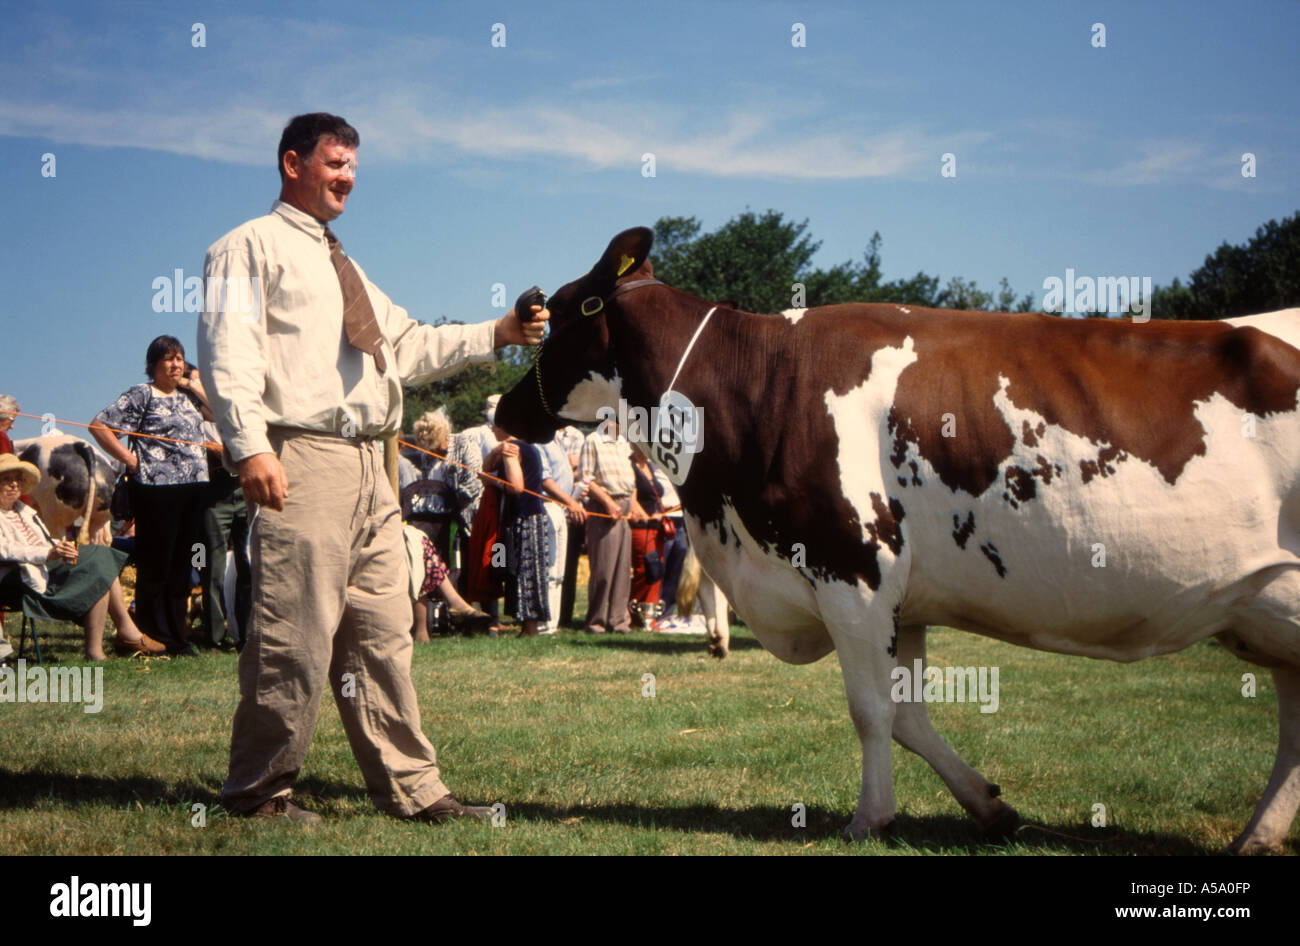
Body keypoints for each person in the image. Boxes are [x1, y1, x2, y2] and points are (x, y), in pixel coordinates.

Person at [198, 112, 546, 824]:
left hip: (371, 470)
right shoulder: (246, 247)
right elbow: (226, 350)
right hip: (301, 456)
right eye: (334, 163)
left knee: (384, 635)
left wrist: (500, 333)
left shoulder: (344, 264)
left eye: (354, 164)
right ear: (292, 163)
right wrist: (250, 446)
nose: (347, 177)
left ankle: (416, 793)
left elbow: (410, 343)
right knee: (293, 635)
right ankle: (258, 795)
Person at [90, 336, 212, 656]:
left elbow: (217, 414)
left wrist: (193, 384)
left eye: (180, 359)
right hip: (156, 489)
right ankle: (151, 633)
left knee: (180, 564)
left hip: (194, 487)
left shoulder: (190, 396)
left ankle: (176, 634)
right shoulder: (142, 394)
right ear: (153, 365)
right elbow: (99, 426)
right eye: (168, 359)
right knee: (156, 562)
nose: (176, 365)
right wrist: (129, 459)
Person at [0, 455, 164, 660]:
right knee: (98, 566)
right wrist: (48, 553)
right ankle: (119, 635)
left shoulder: (23, 511)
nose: (14, 484)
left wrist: (59, 546)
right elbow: (5, 550)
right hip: (16, 578)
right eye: (7, 479)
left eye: (18, 479)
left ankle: (112, 640)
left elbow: (42, 542)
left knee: (101, 556)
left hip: (45, 564)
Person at [580, 419, 642, 634]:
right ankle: (596, 622)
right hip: (604, 505)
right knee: (603, 569)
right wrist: (607, 502)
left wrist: (633, 505)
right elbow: (585, 479)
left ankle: (619, 621)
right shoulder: (593, 441)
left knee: (623, 570)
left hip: (624, 504)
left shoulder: (623, 443)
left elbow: (632, 479)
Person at [499, 433, 549, 637]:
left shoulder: (512, 450)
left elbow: (516, 486)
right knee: (527, 571)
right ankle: (528, 626)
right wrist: (496, 451)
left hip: (525, 517)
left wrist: (494, 483)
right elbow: (486, 467)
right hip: (532, 515)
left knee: (525, 571)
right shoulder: (528, 445)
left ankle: (530, 628)